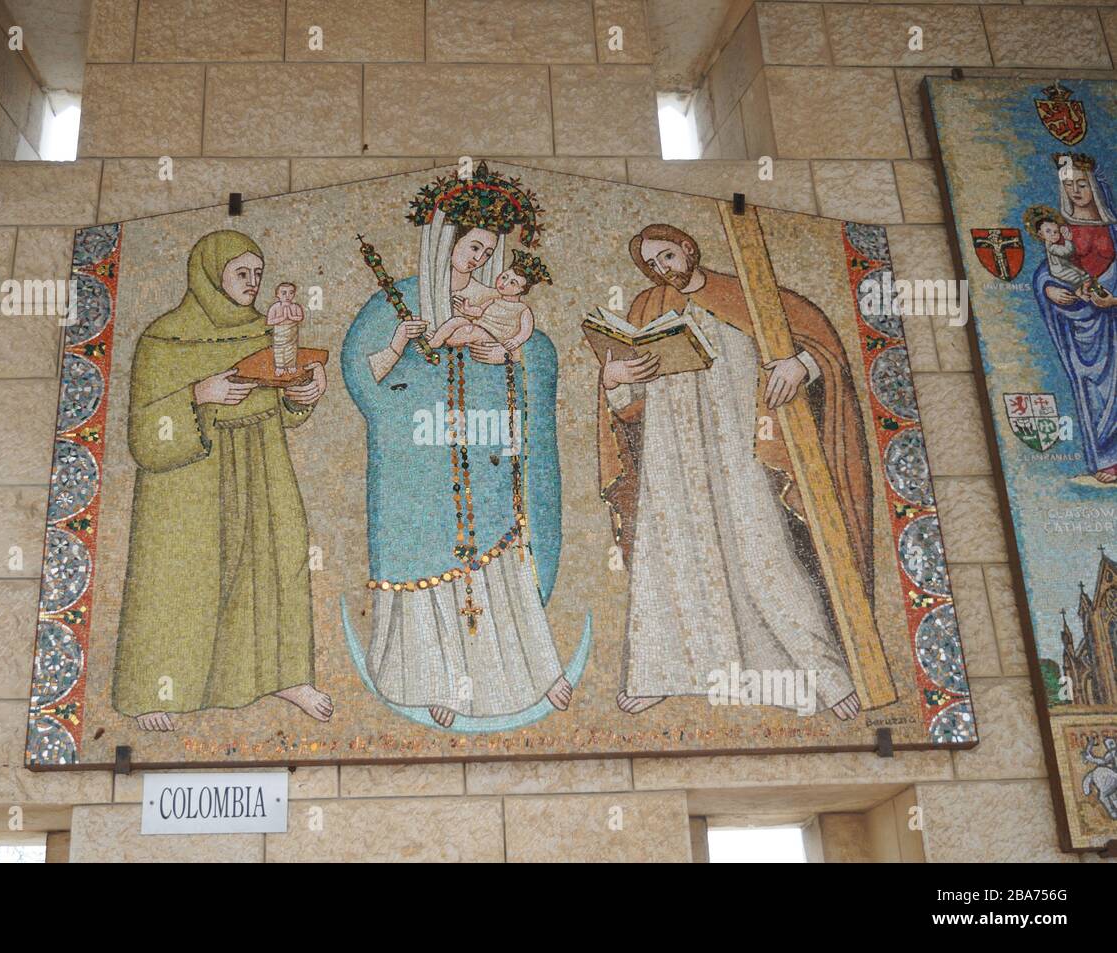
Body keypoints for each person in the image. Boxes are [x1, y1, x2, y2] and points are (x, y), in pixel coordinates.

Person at [600, 223, 874, 719]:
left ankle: (825, 676)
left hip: (740, 446)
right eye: (653, 265)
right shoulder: (645, 309)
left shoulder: (749, 295)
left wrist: (801, 364)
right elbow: (629, 407)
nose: (664, 269)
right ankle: (660, 672)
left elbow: (824, 347)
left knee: (764, 551)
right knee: (669, 557)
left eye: (667, 255)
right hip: (672, 456)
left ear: (689, 245)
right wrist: (615, 379)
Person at [341, 166, 572, 728]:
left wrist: (510, 357)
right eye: (471, 247)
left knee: (498, 558)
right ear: (446, 241)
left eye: (488, 251)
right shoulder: (396, 300)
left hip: (487, 456)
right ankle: (437, 680)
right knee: (426, 563)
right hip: (417, 462)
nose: (477, 259)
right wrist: (399, 342)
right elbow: (361, 371)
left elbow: (536, 357)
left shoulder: (501, 305)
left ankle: (530, 672)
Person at [112, 231, 332, 731]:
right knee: (181, 577)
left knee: (274, 560)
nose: (253, 285)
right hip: (192, 478)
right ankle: (155, 689)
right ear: (211, 275)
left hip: (260, 462)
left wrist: (305, 391)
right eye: (241, 274)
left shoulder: (264, 332)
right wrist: (199, 392)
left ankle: (283, 673)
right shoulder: (164, 338)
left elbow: (284, 406)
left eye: (258, 274)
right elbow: (144, 432)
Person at [1032, 153, 1117, 483]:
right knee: (1091, 390)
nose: (1076, 191)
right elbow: (1048, 271)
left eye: (1082, 183)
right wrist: (1048, 290)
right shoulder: (1061, 232)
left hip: (1112, 319)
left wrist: (1113, 298)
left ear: (1094, 185)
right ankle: (1108, 458)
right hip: (1082, 324)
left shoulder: (1112, 228)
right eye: (1069, 186)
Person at [427, 249, 550, 354]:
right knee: (459, 320)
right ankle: (436, 339)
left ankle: (443, 340)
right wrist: (468, 310)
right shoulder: (494, 300)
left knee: (471, 331)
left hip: (493, 339)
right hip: (479, 326)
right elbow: (479, 311)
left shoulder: (523, 309)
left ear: (522, 290)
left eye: (513, 283)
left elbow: (526, 330)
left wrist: (516, 341)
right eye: (504, 277)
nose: (504, 283)